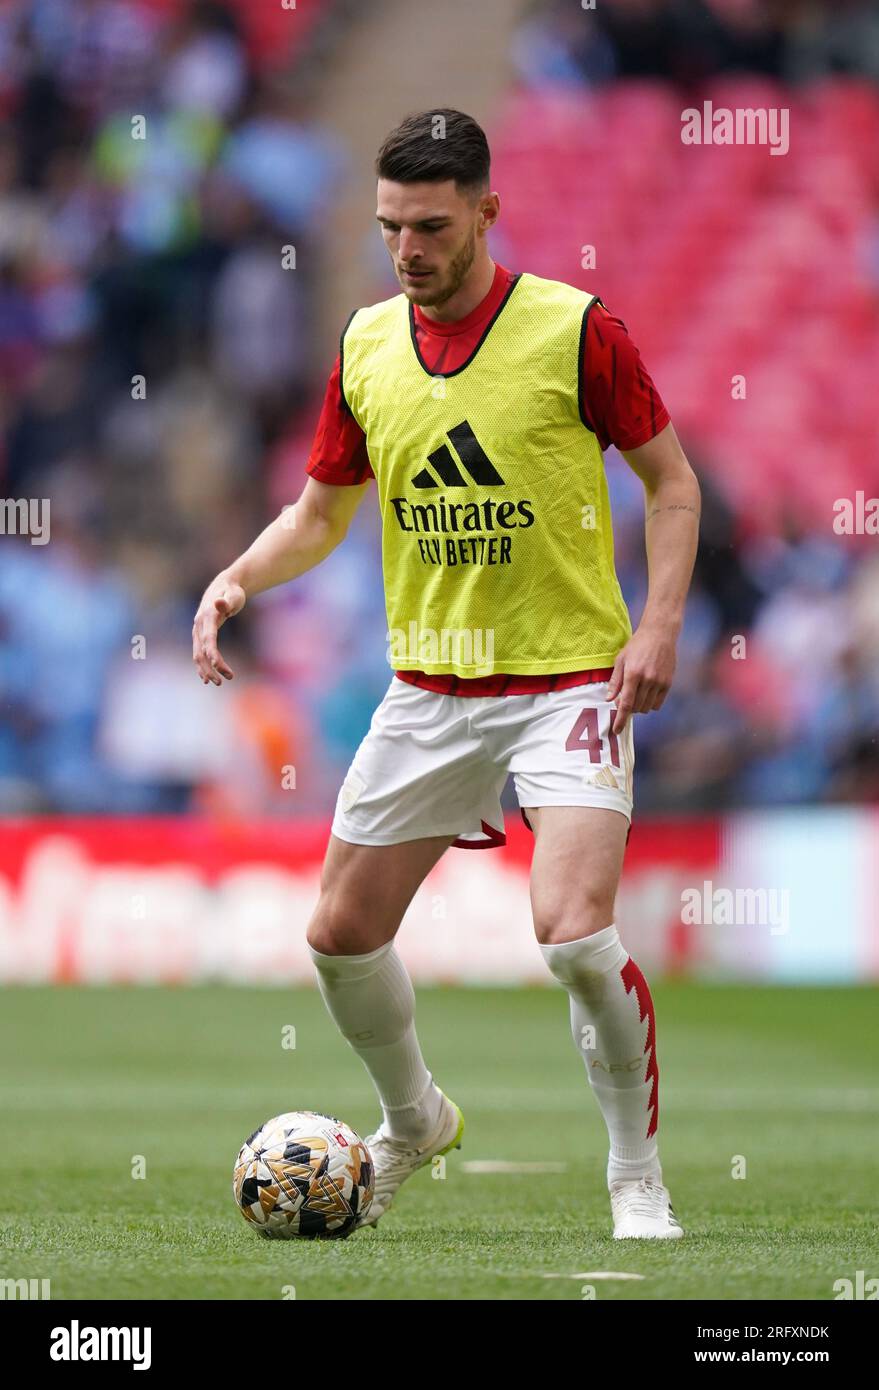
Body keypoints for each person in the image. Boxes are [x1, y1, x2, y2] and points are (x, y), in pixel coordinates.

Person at [192, 108, 700, 1239]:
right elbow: (322, 512)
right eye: (389, 229)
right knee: (338, 935)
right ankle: (414, 1117)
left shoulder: (576, 329)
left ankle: (634, 1175)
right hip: (430, 691)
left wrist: (657, 625)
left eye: (430, 226)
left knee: (572, 933)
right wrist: (237, 577)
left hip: (571, 682)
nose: (409, 250)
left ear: (486, 211)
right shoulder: (366, 346)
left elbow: (674, 485)